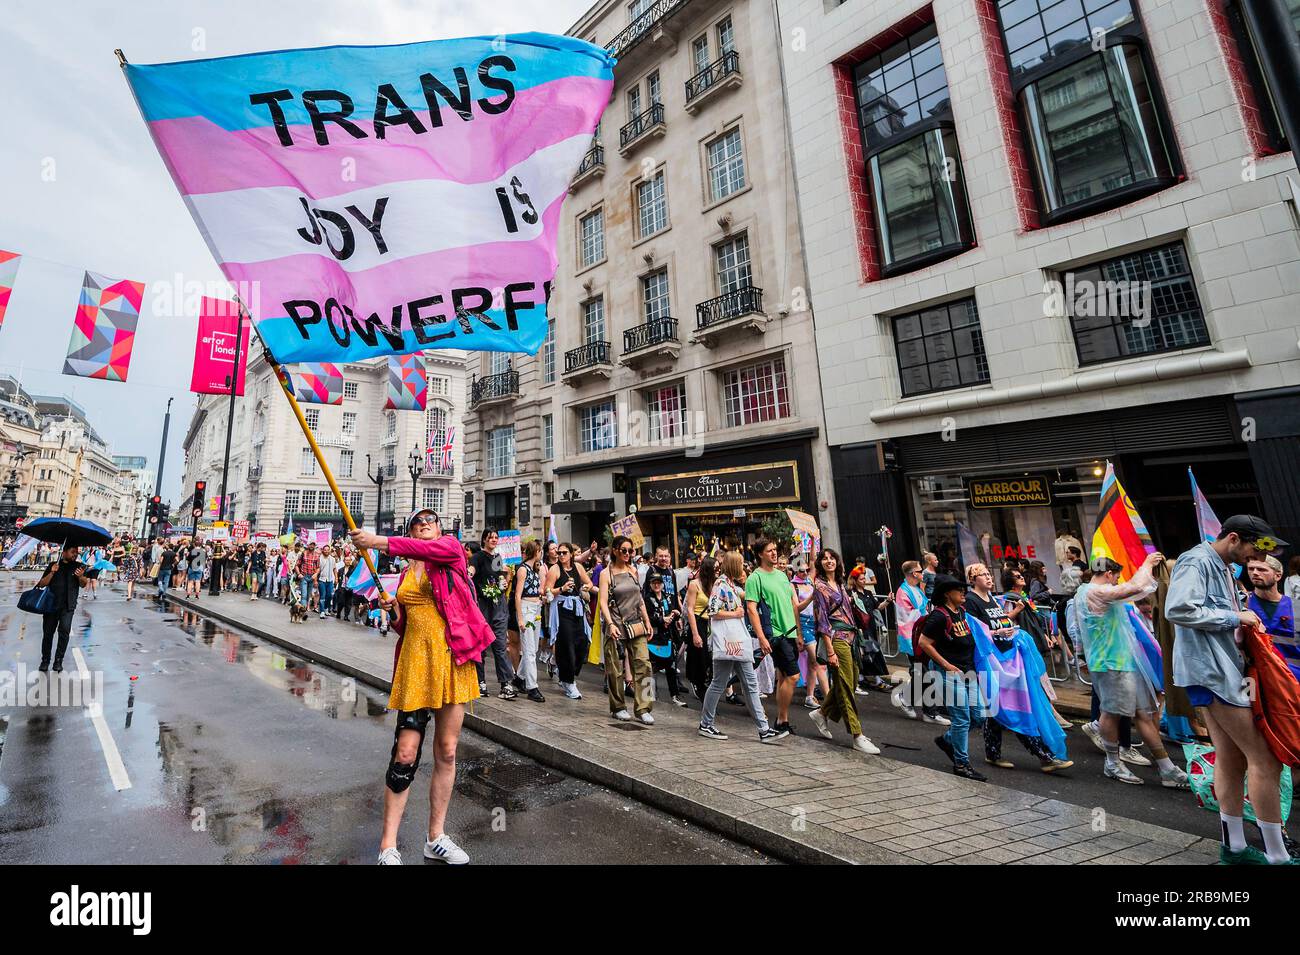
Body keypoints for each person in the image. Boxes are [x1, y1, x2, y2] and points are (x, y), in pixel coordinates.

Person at [349, 510, 492, 866]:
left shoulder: (450, 551)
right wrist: (393, 610)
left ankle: (436, 837)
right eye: (416, 522)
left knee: (446, 751)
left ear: (441, 529)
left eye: (430, 519)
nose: (424, 523)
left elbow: (425, 550)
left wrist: (376, 541)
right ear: (410, 530)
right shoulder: (405, 573)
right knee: (405, 754)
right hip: (416, 665)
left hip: (452, 661)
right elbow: (404, 625)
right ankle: (388, 845)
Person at [1168, 515, 1296, 864]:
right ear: (1235, 538)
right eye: (1253, 549)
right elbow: (1177, 608)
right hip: (1212, 672)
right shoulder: (1197, 560)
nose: (1254, 559)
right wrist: (1235, 617)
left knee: (1232, 757)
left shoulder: (1222, 566)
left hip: (1217, 670)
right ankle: (1277, 855)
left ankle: (1236, 848)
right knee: (1264, 759)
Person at [1079, 553, 1191, 789]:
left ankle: (1166, 768)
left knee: (1143, 713)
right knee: (1111, 712)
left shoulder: (1088, 592)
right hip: (1111, 663)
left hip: (1122, 661)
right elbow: (1136, 587)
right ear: (1108, 574)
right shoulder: (1094, 592)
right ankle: (1112, 762)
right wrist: (1147, 563)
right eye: (1116, 577)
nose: (1117, 582)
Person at [697, 551, 784, 743]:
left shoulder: (730, 585)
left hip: (735, 644)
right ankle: (707, 723)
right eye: (741, 564)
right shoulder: (721, 585)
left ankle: (763, 729)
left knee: (743, 684)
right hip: (731, 643)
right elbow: (712, 611)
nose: (743, 567)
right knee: (722, 684)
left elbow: (746, 594)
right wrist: (735, 614)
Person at [807, 548, 881, 755]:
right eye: (824, 559)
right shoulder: (820, 587)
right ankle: (857, 735)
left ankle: (822, 713)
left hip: (852, 638)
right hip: (836, 638)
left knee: (851, 679)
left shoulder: (839, 583)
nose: (829, 561)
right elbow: (822, 621)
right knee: (847, 685)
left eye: (832, 558)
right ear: (820, 564)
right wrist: (829, 651)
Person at [916, 575, 986, 781]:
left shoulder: (962, 612)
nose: (964, 592)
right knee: (962, 718)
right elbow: (924, 643)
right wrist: (946, 665)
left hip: (967, 671)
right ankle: (961, 763)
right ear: (947, 593)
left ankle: (948, 740)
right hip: (947, 673)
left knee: (979, 716)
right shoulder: (938, 616)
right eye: (959, 589)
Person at [745, 537, 803, 737]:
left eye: (775, 550)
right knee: (794, 676)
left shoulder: (782, 576)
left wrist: (799, 633)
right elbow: (751, 609)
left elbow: (792, 605)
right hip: (775, 634)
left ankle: (782, 720)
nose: (774, 553)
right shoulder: (755, 578)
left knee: (784, 676)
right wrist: (761, 637)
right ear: (760, 554)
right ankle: (781, 719)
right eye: (769, 551)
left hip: (791, 632)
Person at [599, 535, 654, 724]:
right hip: (616, 625)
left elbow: (640, 600)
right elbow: (603, 602)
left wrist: (647, 621)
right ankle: (618, 707)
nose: (628, 554)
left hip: (636, 625)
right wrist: (611, 624)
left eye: (631, 551)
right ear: (614, 550)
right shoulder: (606, 574)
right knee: (615, 669)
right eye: (624, 550)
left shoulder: (633, 570)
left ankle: (644, 707)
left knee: (644, 665)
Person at [894, 559, 947, 724]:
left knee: (922, 673)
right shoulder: (903, 592)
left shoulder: (915, 589)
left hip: (921, 635)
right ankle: (928, 711)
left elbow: (922, 609)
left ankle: (908, 700)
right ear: (912, 574)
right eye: (919, 571)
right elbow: (905, 618)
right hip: (912, 637)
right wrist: (926, 614)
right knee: (924, 674)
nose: (922, 573)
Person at [469, 528, 517, 700]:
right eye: (491, 537)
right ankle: (480, 682)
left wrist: (504, 579)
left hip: (498, 605)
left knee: (500, 645)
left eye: (496, 537)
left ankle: (506, 684)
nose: (494, 540)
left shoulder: (497, 557)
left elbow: (500, 577)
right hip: (483, 606)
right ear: (484, 539)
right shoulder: (478, 557)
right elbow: (472, 570)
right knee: (481, 645)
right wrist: (469, 573)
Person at [546, 542, 594, 699]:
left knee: (582, 643)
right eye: (559, 553)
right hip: (562, 609)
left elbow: (589, 582)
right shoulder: (554, 569)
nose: (561, 555)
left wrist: (586, 587)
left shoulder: (578, 567)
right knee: (566, 645)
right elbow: (546, 591)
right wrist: (562, 589)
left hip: (577, 609)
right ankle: (568, 681)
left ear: (571, 554)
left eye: (564, 552)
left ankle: (567, 672)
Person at [36, 544, 90, 672]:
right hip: (51, 606)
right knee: (48, 634)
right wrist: (52, 572)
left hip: (68, 606)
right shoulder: (54, 565)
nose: (75, 554)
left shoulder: (79, 567)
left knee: (64, 633)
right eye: (72, 551)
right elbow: (41, 583)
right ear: (64, 552)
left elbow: (83, 584)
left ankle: (58, 661)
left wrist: (80, 576)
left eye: (76, 552)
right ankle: (45, 660)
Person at [1246, 555, 1298, 683]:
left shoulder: (1296, 607)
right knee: (1251, 702)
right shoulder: (1242, 605)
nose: (1255, 573)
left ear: (1278, 575)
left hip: (1293, 677)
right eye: (1251, 569)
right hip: (1254, 678)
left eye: (1262, 569)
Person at [645, 571, 687, 706]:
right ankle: (647, 696)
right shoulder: (646, 599)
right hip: (652, 637)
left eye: (658, 583)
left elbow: (673, 613)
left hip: (666, 637)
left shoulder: (667, 598)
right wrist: (661, 619)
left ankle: (675, 696)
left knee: (671, 666)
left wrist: (675, 615)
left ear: (663, 584)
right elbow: (646, 618)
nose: (656, 585)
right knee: (649, 666)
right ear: (650, 584)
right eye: (654, 583)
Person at [791, 556, 827, 708]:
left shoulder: (810, 581)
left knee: (814, 663)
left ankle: (810, 696)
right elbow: (796, 608)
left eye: (807, 570)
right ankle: (829, 696)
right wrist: (811, 598)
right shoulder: (792, 585)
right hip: (803, 625)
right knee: (816, 661)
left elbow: (813, 559)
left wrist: (813, 539)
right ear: (795, 570)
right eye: (801, 571)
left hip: (815, 623)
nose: (805, 573)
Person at [512, 539, 546, 702]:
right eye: (540, 551)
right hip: (526, 609)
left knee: (532, 649)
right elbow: (517, 595)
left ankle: (519, 678)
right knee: (529, 650)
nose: (541, 553)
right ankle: (532, 687)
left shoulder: (534, 569)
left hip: (536, 608)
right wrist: (520, 618)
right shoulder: (523, 570)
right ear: (536, 552)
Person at [683, 555, 715, 701]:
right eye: (715, 569)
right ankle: (698, 685)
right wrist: (695, 634)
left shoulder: (714, 585)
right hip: (698, 622)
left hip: (711, 624)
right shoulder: (694, 584)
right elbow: (690, 609)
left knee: (709, 658)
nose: (718, 571)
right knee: (699, 658)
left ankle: (704, 685)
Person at [318, 545, 337, 619]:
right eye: (325, 550)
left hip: (330, 579)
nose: (326, 551)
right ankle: (322, 611)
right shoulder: (319, 558)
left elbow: (334, 569)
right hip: (322, 579)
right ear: (323, 550)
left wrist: (336, 578)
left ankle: (326, 608)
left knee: (329, 595)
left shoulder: (332, 559)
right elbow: (317, 569)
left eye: (328, 550)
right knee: (322, 595)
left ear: (330, 550)